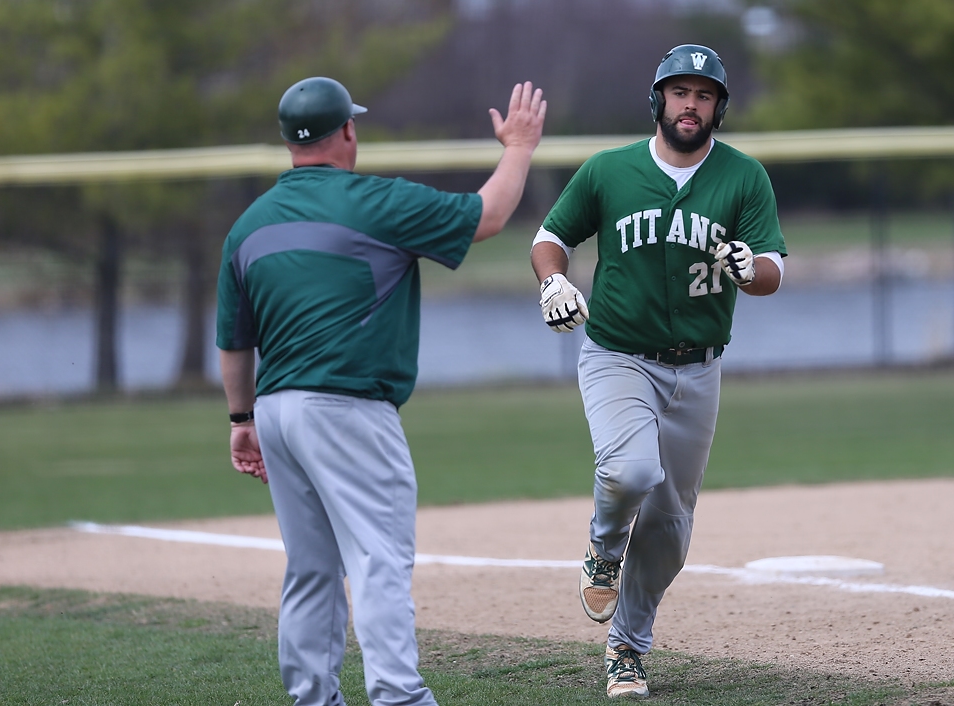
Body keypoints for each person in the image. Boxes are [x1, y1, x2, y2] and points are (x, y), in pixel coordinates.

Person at [218, 76, 546, 706]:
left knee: (311, 567)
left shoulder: (248, 226)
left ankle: (313, 697)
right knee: (377, 558)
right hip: (347, 407)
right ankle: (399, 696)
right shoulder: (376, 203)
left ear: (289, 142)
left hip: (276, 411)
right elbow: (489, 216)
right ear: (347, 130)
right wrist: (520, 146)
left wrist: (241, 419)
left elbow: (234, 343)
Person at [530, 45, 786, 699]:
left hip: (699, 370)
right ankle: (603, 547)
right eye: (680, 92)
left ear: (719, 107)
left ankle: (627, 648)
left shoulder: (743, 177)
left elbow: (772, 270)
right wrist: (553, 281)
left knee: (671, 529)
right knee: (631, 471)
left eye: (704, 95)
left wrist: (748, 267)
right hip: (618, 355)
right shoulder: (610, 170)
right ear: (658, 99)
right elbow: (550, 238)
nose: (690, 105)